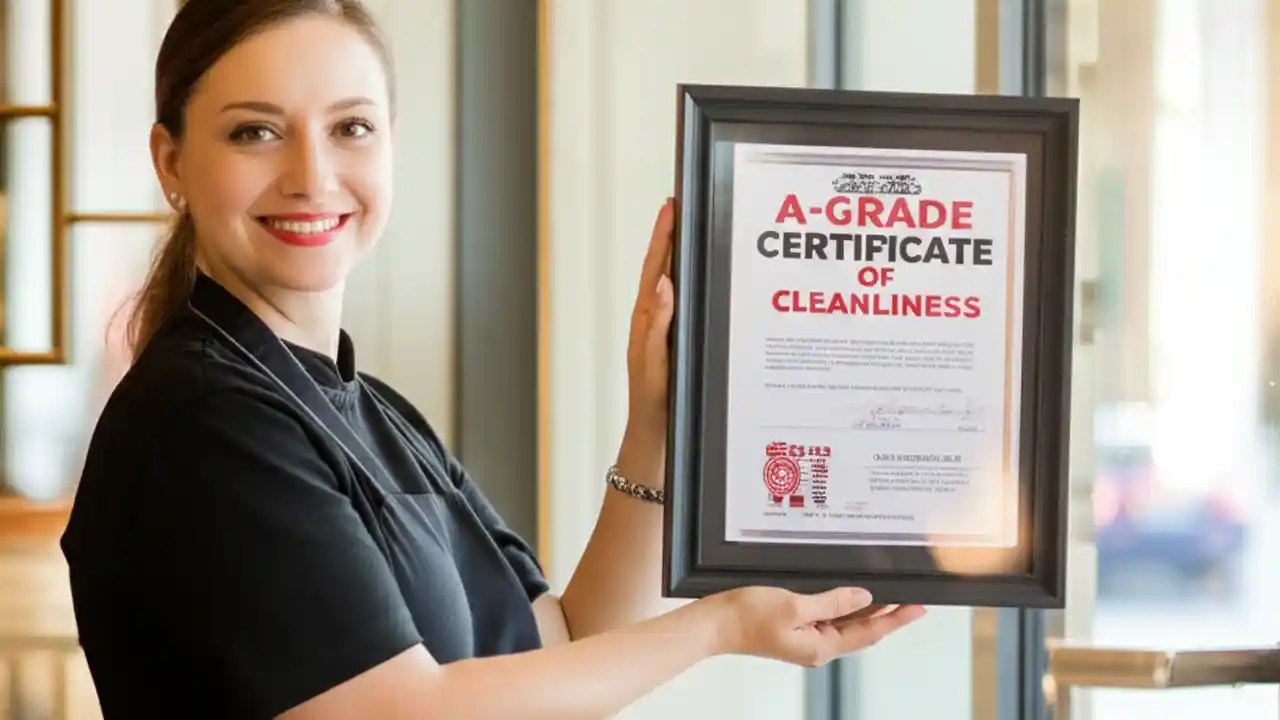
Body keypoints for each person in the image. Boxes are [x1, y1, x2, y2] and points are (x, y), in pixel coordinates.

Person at [59, 1, 927, 718]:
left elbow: (561, 643)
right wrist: (721, 625)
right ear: (172, 162)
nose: (312, 176)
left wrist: (655, 425)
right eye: (255, 133)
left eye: (351, 128)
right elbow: (403, 712)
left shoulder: (371, 409)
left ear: (390, 143)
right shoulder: (204, 425)